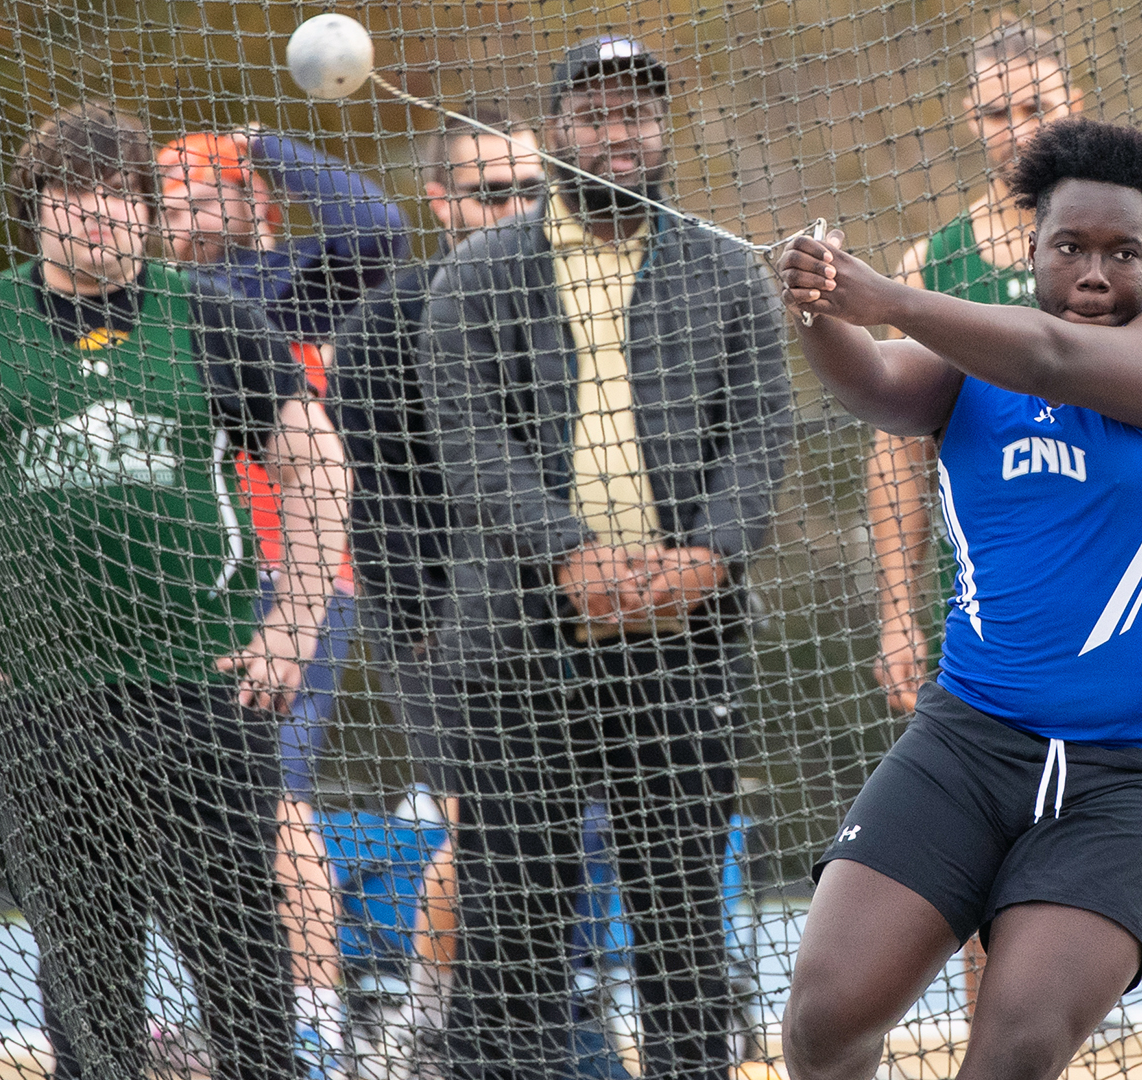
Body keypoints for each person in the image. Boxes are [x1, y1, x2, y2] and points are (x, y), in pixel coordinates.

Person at [774, 117, 1142, 1080]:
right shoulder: (972, 368)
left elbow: (1054, 362)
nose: (1097, 272)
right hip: (967, 744)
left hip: (1131, 774)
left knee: (1016, 1046)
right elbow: (870, 385)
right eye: (1069, 246)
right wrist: (822, 303)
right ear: (1030, 249)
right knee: (824, 1020)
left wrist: (890, 293)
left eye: (1125, 252)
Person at [0, 100, 349, 1080]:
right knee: (84, 951)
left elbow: (317, 465)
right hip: (31, 691)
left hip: (202, 683)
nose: (97, 214)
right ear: (34, 208)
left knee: (238, 941)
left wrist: (292, 628)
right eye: (72, 193)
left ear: (148, 212)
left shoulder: (208, 313)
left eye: (121, 193)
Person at [417, 37, 791, 1080]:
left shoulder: (722, 265)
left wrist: (710, 554)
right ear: (557, 132)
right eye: (596, 113)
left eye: (639, 112)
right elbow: (465, 434)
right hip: (519, 648)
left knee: (680, 924)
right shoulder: (479, 274)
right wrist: (567, 553)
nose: (621, 131)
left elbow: (762, 431)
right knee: (515, 931)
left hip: (683, 644)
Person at [159, 124, 411, 1076]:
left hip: (294, 578)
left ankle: (310, 1028)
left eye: (195, 198)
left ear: (252, 200)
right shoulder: (164, 301)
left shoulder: (303, 276)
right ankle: (254, 1019)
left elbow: (380, 227)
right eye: (165, 206)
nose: (175, 222)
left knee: (270, 796)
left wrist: (269, 145)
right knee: (208, 807)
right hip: (188, 577)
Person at [328, 102, 548, 1071]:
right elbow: (367, 490)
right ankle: (428, 1025)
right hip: (444, 623)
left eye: (531, 190)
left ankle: (505, 1017)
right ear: (439, 199)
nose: (514, 209)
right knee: (485, 823)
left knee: (554, 834)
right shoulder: (390, 317)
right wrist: (419, 621)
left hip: (581, 614)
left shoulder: (586, 300)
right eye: (489, 192)